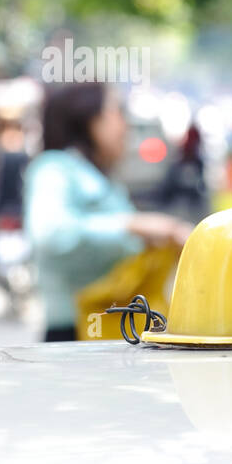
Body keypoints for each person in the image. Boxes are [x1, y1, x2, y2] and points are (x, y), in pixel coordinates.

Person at [25, 82, 193, 342]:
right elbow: (51, 234)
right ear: (88, 120)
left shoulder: (97, 175)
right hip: (75, 333)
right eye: (115, 112)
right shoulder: (54, 168)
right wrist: (132, 226)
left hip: (111, 327)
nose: (123, 125)